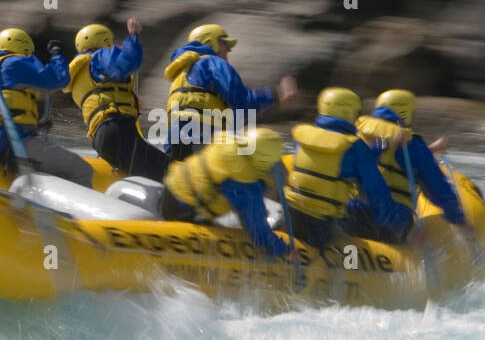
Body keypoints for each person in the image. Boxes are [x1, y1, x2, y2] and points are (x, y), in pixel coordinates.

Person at [284, 87, 411, 249]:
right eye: (357, 113)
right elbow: (377, 192)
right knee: (352, 228)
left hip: (291, 214)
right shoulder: (355, 148)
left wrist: (382, 145)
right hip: (321, 226)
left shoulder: (301, 140)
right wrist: (397, 226)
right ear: (348, 113)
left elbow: (341, 160)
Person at [0, 28, 94, 188]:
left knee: (50, 171)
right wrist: (57, 56)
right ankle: (73, 213)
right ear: (24, 48)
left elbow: (8, 106)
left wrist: (35, 124)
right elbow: (58, 79)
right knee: (83, 170)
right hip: (14, 141)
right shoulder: (14, 63)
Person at [347, 89, 469, 243]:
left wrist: (429, 150)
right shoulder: (412, 144)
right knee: (417, 236)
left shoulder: (358, 132)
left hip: (353, 213)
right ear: (405, 112)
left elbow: (377, 153)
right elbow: (437, 188)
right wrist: (460, 221)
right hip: (390, 221)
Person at [163, 23, 297, 161]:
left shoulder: (181, 72)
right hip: (202, 142)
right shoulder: (213, 63)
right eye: (224, 43)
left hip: (174, 143)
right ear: (210, 42)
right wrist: (276, 95)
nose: (229, 49)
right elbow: (242, 102)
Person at [65, 17, 169, 180]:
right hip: (117, 131)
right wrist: (133, 36)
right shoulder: (100, 57)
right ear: (105, 41)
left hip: (104, 137)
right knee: (170, 172)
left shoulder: (83, 74)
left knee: (150, 170)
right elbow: (128, 62)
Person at [161, 128, 289, 260]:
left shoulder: (227, 141)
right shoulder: (245, 181)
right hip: (183, 210)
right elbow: (256, 229)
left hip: (169, 188)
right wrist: (281, 248)